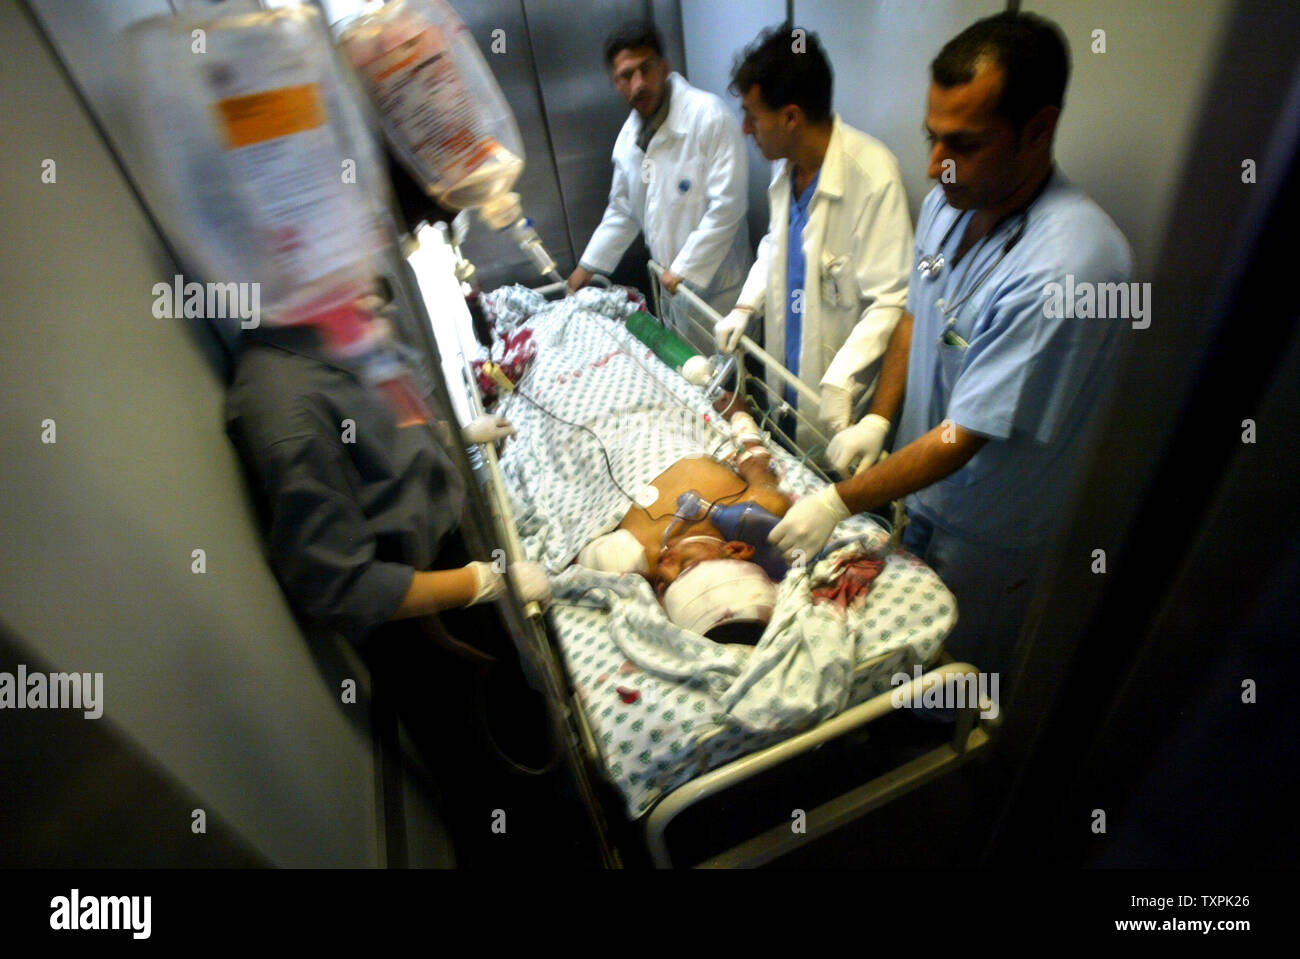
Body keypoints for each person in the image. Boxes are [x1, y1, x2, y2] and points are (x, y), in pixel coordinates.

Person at [768, 12, 1134, 680]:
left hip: (995, 533)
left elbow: (963, 436)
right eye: (930, 137)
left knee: (961, 678)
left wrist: (838, 500)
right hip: (929, 496)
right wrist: (881, 414)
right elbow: (915, 313)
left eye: (962, 143)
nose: (935, 165)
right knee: (905, 663)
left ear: (1038, 131)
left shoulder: (1070, 267)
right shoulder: (952, 198)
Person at [717, 23, 913, 439]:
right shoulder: (786, 165)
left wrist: (842, 380)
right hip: (782, 379)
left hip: (838, 402)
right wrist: (746, 306)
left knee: (829, 483)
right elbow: (777, 245)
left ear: (790, 117)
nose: (745, 129)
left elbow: (891, 301)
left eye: (752, 117)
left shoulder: (874, 177)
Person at [567, 21, 752, 353]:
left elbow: (729, 207)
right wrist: (585, 268)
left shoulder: (709, 117)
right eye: (626, 76)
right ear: (615, 83)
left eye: (646, 68)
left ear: (664, 67)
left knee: (730, 383)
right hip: (671, 288)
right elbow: (623, 211)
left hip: (718, 291)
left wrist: (683, 270)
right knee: (693, 382)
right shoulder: (628, 142)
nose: (638, 84)